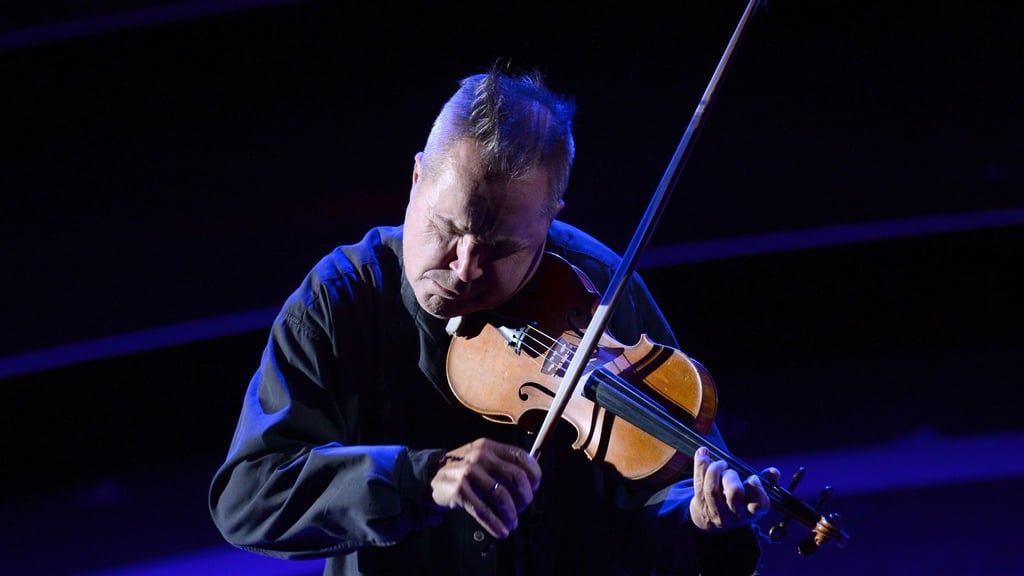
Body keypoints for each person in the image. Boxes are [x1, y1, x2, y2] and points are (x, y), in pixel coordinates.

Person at [209, 64, 780, 575]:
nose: (463, 268)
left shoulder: (599, 290)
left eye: (501, 248)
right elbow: (248, 497)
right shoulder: (339, 301)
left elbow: (664, 492)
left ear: (550, 218)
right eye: (447, 230)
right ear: (415, 180)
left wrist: (701, 517)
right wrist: (417, 479)